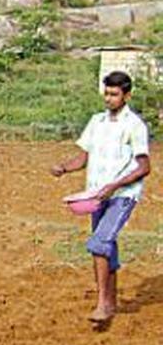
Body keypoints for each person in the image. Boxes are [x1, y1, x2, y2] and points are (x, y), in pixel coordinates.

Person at [51, 70, 151, 328]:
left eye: (114, 94)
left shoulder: (135, 126)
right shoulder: (96, 122)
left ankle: (103, 304)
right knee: (106, 247)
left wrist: (114, 185)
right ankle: (111, 301)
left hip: (122, 196)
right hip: (96, 195)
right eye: (106, 93)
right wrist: (64, 167)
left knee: (99, 242)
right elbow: (83, 157)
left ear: (126, 95)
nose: (108, 98)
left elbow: (143, 167)